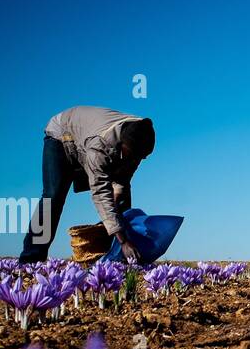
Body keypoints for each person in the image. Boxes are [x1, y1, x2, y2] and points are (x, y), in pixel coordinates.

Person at [19, 106, 156, 263]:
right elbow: (101, 192)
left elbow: (122, 183)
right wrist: (122, 239)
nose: (135, 161)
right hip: (61, 136)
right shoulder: (100, 146)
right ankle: (31, 258)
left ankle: (119, 257)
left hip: (85, 138)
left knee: (122, 200)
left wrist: (116, 215)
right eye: (132, 156)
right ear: (122, 145)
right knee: (53, 197)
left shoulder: (139, 138)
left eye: (141, 158)